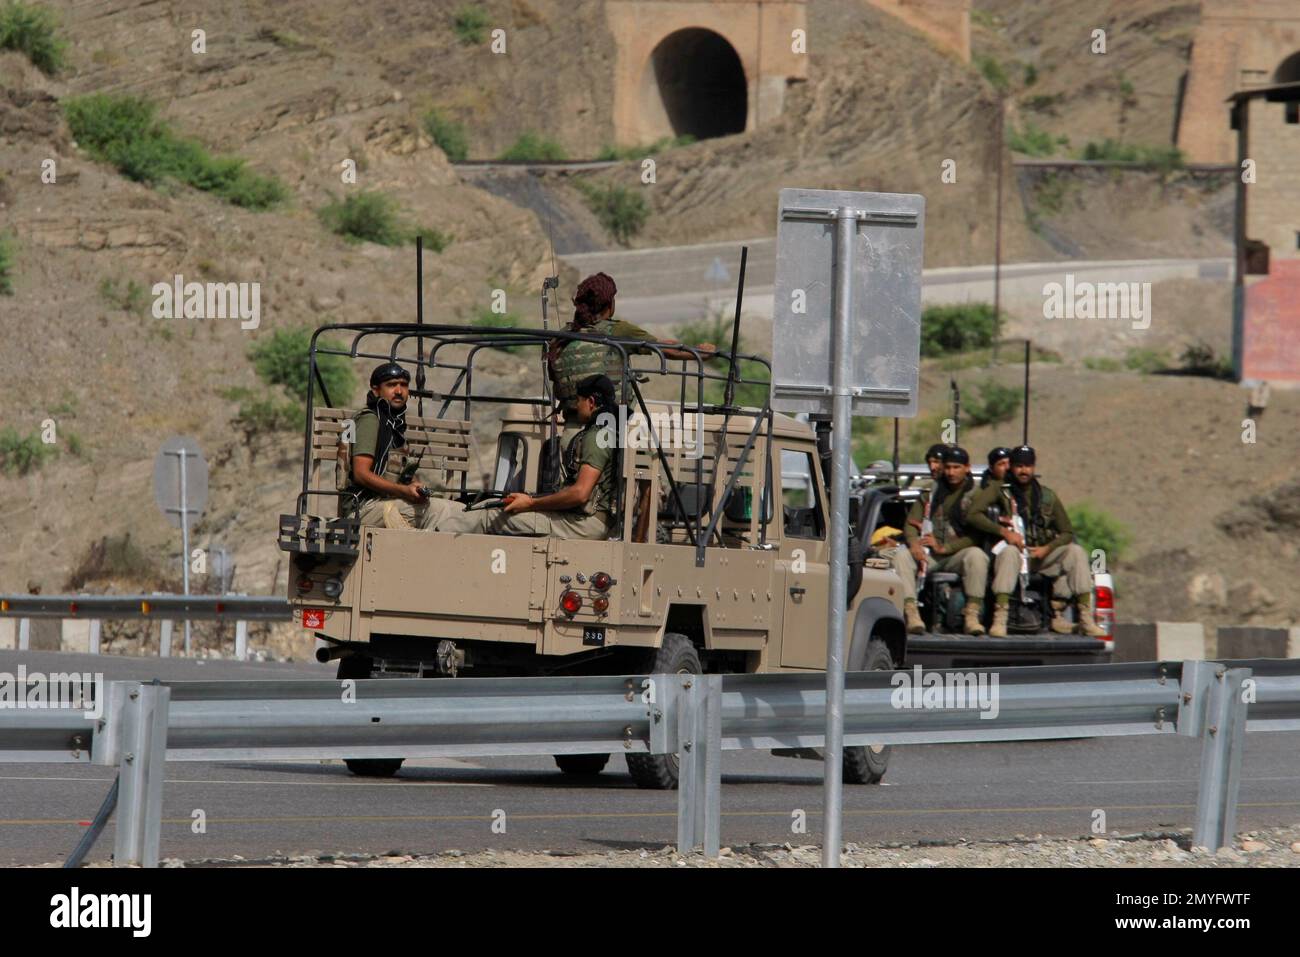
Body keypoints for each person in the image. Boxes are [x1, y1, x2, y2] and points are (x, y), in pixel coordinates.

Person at [423, 375, 619, 540]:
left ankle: (428, 542)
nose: (577, 406)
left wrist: (531, 503)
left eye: (579, 400)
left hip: (582, 525)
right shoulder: (608, 432)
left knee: (489, 515)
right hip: (585, 521)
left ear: (591, 402)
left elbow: (580, 493)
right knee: (489, 505)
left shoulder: (597, 436)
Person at [966, 445, 1107, 638]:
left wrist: (1047, 549)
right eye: (1019, 466)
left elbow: (1066, 531)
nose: (1024, 471)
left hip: (1040, 555)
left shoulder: (1047, 495)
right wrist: (1003, 532)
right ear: (1012, 468)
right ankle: (1000, 618)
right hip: (1013, 553)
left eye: (1028, 466)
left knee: (1075, 552)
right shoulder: (999, 490)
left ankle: (1085, 618)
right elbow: (973, 515)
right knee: (1009, 553)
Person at [547, 272, 716, 422]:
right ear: (609, 305)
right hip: (606, 428)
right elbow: (664, 348)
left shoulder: (562, 337)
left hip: (571, 427)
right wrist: (701, 353)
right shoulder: (618, 331)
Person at [885, 446, 988, 635]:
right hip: (930, 555)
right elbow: (911, 523)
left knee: (977, 556)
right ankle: (911, 613)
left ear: (967, 467)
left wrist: (945, 547)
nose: (951, 472)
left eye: (956, 467)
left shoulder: (976, 495)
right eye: (948, 467)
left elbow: (976, 536)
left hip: (956, 553)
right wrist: (914, 544)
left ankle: (972, 616)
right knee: (901, 557)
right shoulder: (931, 492)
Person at [345, 362, 435, 529]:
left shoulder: (394, 425)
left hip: (384, 501)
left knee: (440, 507)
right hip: (363, 506)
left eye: (403, 385)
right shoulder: (370, 420)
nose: (399, 391)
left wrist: (413, 486)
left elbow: (395, 473)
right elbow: (361, 474)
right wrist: (402, 491)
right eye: (392, 385)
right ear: (376, 390)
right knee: (436, 512)